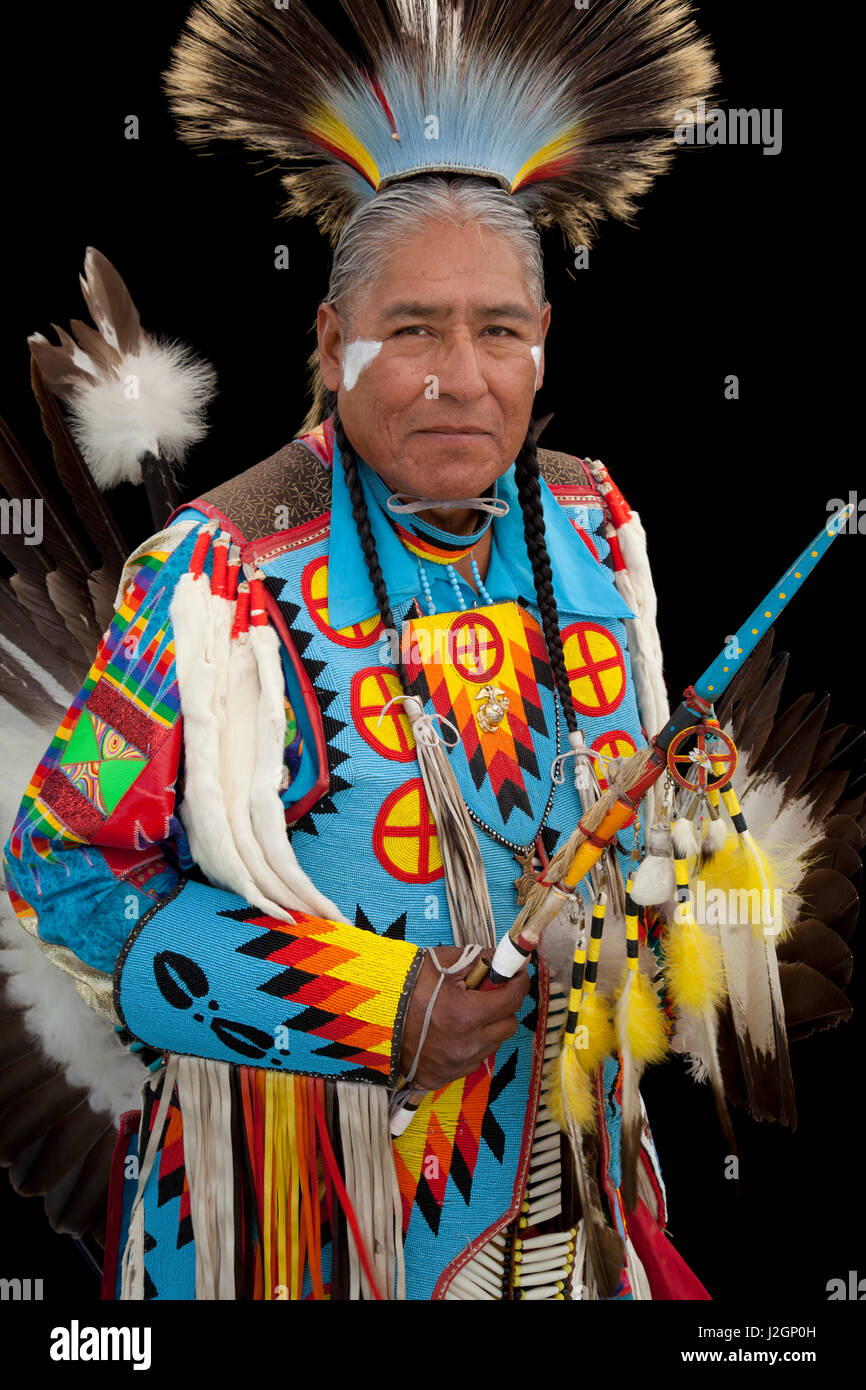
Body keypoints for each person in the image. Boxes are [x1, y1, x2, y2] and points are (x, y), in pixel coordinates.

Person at [3, 0, 857, 1301]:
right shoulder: (218, 570)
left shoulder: (592, 522)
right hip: (298, 1223)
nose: (458, 375)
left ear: (538, 345)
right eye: (411, 329)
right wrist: (372, 1004)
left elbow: (606, 797)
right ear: (335, 344)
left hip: (568, 1200)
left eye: (496, 329)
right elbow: (66, 872)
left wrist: (677, 831)